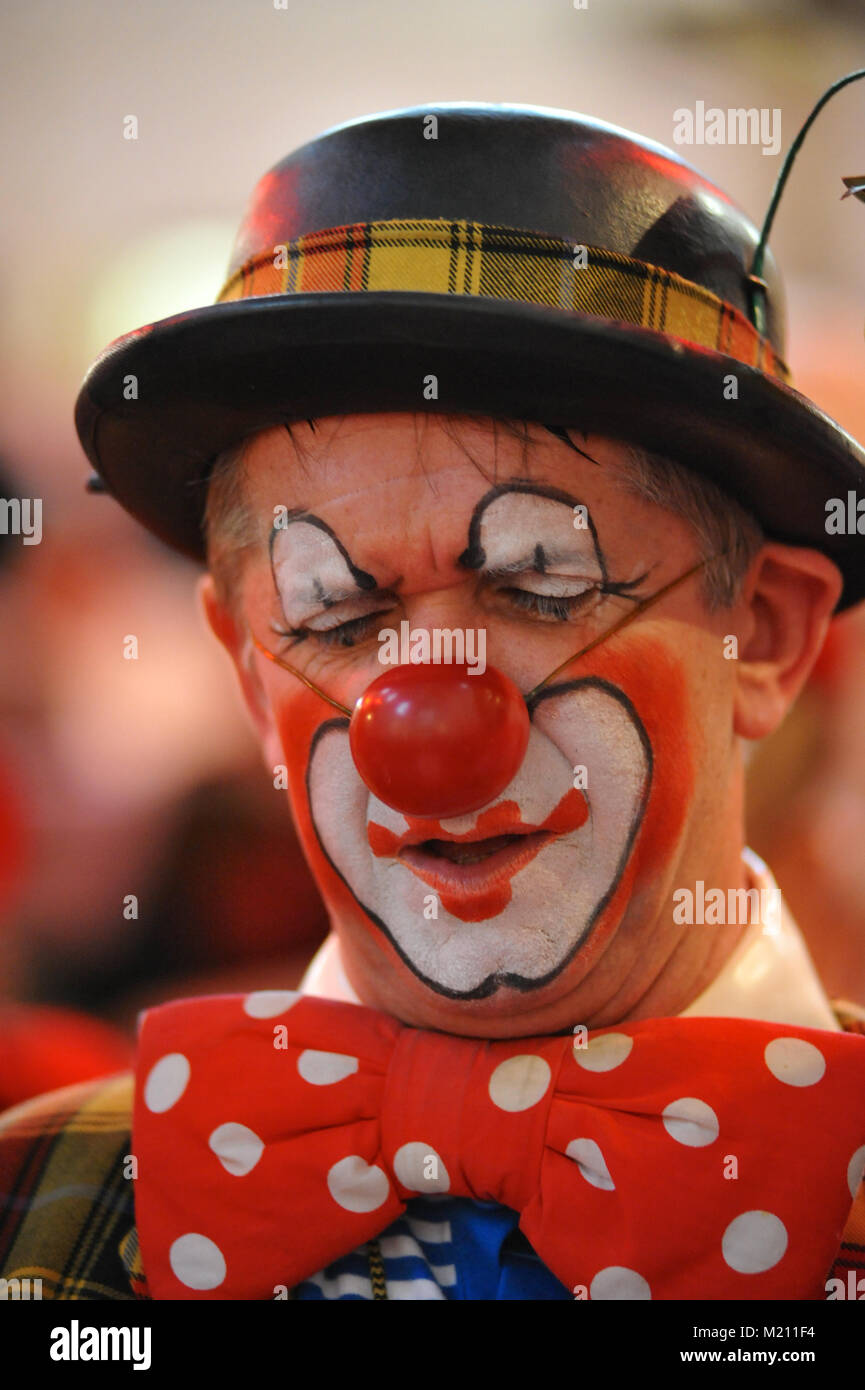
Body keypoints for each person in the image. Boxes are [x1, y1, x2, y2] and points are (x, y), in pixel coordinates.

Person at [2, 101, 864, 1302]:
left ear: (762, 636)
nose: (429, 733)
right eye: (336, 618)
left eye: (537, 583)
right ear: (253, 676)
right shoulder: (23, 1207)